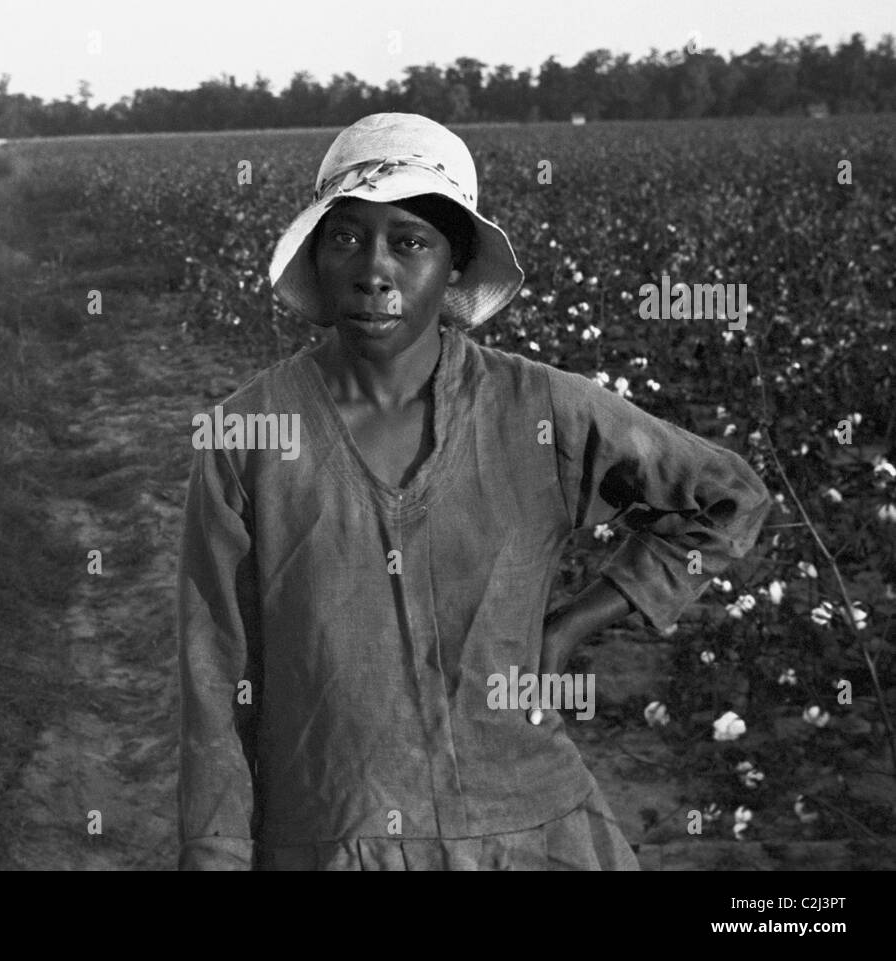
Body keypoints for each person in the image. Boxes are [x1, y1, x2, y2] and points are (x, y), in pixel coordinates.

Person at [176, 112, 771, 870]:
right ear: (318, 255)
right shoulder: (246, 436)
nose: (374, 269)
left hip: (527, 821)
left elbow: (729, 499)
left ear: (455, 264)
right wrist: (214, 849)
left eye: (411, 241)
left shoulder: (542, 410)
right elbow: (214, 670)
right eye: (347, 235)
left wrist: (571, 625)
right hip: (333, 828)